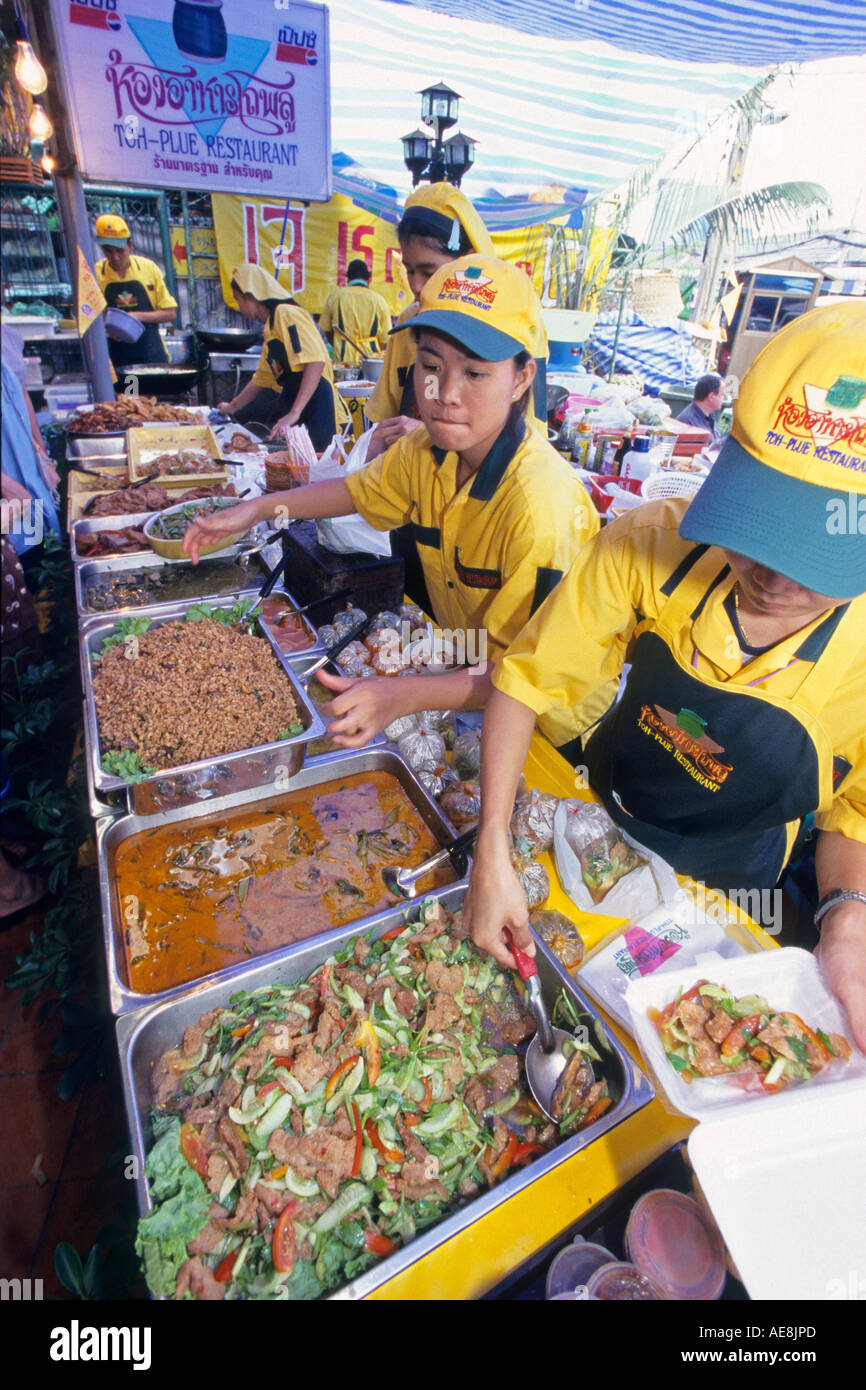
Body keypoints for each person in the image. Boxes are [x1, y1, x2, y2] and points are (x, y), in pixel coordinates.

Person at [463, 301, 866, 1050]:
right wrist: (491, 849)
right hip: (594, 820)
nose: (771, 580)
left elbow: (854, 815)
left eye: (813, 562)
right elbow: (527, 681)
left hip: (731, 889)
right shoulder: (653, 546)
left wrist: (846, 916)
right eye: (754, 534)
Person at [184, 254, 598, 744]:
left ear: (522, 378)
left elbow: (525, 676)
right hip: (474, 673)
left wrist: (401, 695)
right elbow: (353, 492)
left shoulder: (540, 507)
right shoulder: (429, 450)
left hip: (552, 721)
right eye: (430, 366)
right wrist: (254, 510)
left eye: (475, 373)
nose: (445, 392)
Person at [217, 264, 349, 448]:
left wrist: (294, 413)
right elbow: (261, 380)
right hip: (302, 404)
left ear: (251, 296)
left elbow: (315, 362)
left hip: (321, 403)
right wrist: (232, 407)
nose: (239, 307)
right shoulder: (271, 327)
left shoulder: (286, 313)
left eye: (238, 300)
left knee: (319, 466)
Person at [93, 214, 177, 369]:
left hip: (151, 356)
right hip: (120, 359)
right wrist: (106, 329)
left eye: (120, 250)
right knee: (131, 393)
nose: (115, 257)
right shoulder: (96, 274)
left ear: (130, 245)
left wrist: (135, 317)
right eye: (108, 251)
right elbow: (90, 317)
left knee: (153, 393)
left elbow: (170, 313)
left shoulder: (148, 268)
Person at [319, 258, 392, 366]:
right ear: (368, 278)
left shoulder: (335, 297)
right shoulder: (379, 301)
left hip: (342, 361)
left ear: (347, 277)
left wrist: (340, 343)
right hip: (370, 361)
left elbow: (327, 331)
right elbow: (386, 340)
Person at [676, 372, 725, 441]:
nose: (724, 398)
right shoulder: (686, 422)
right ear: (711, 397)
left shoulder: (710, 417)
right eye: (722, 394)